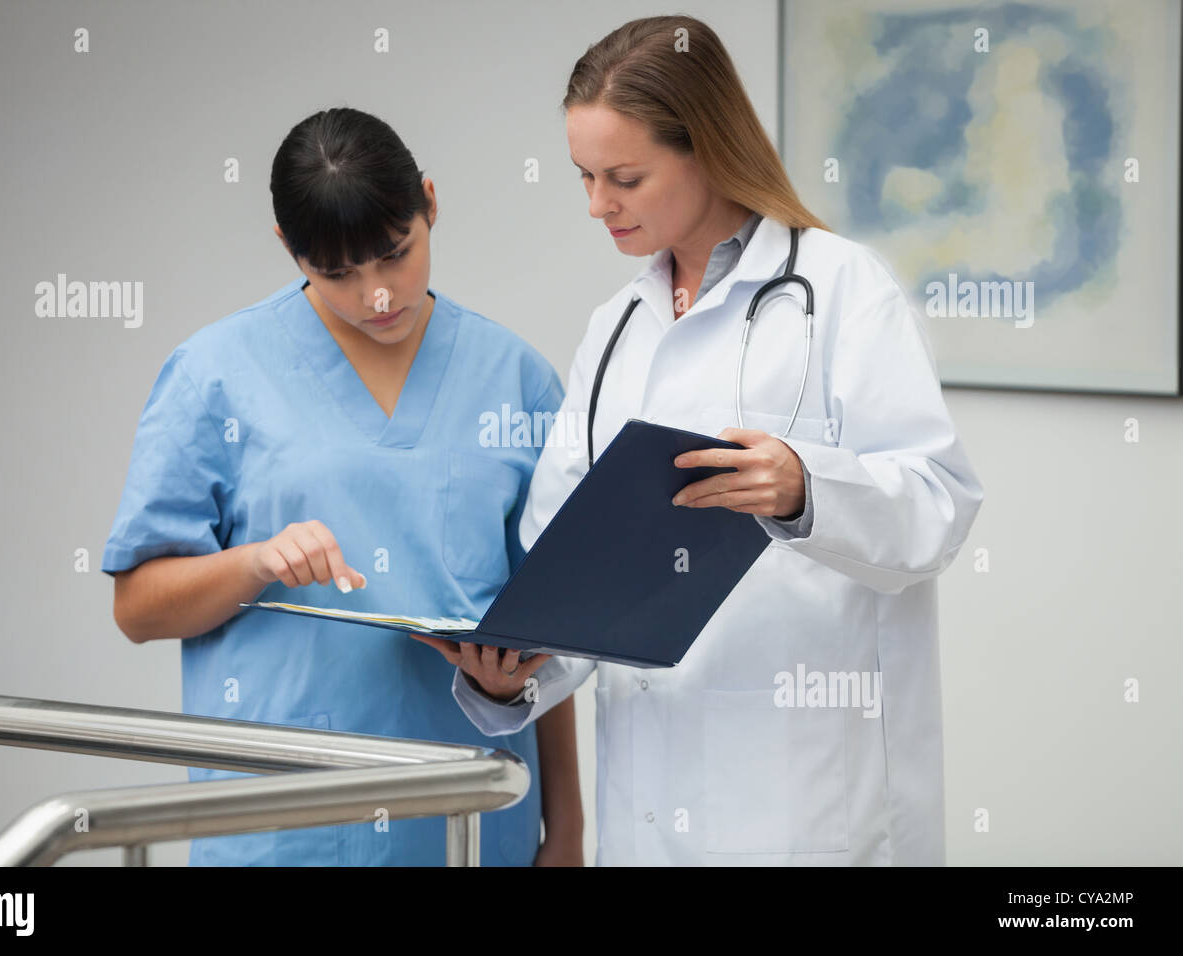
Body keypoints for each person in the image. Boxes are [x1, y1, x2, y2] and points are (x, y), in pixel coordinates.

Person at [412, 15, 985, 865]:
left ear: (707, 147)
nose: (597, 204)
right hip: (646, 800)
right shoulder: (616, 329)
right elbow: (566, 568)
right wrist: (514, 671)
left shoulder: (841, 290)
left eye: (626, 177)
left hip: (810, 796)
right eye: (584, 176)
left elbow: (939, 506)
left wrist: (804, 490)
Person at [102, 107, 583, 866]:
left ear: (430, 201)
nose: (378, 296)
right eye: (337, 274)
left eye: (396, 255)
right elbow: (136, 608)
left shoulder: (516, 380)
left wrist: (569, 833)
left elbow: (559, 628)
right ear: (288, 250)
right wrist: (253, 564)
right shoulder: (214, 375)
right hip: (284, 831)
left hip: (474, 822)